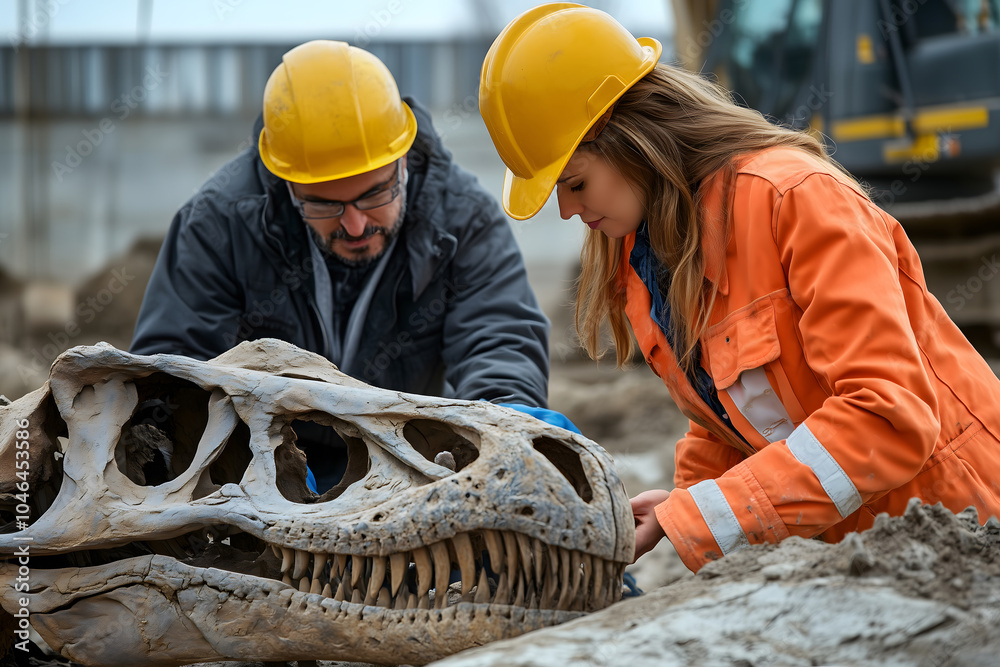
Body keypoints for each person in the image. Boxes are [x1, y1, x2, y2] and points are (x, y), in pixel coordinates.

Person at [478, 4, 1000, 572]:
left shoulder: (795, 200)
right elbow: (725, 416)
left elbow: (886, 419)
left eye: (575, 183)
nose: (566, 209)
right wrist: (687, 505)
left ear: (632, 137)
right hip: (854, 553)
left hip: (960, 536)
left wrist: (705, 513)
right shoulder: (648, 251)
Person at [131, 40, 570, 491]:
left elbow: (497, 340)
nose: (356, 225)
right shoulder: (217, 224)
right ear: (287, 184)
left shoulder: (463, 219)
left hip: (407, 459)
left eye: (375, 194)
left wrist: (501, 430)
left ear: (403, 161)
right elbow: (174, 368)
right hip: (262, 467)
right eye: (324, 204)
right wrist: (225, 456)